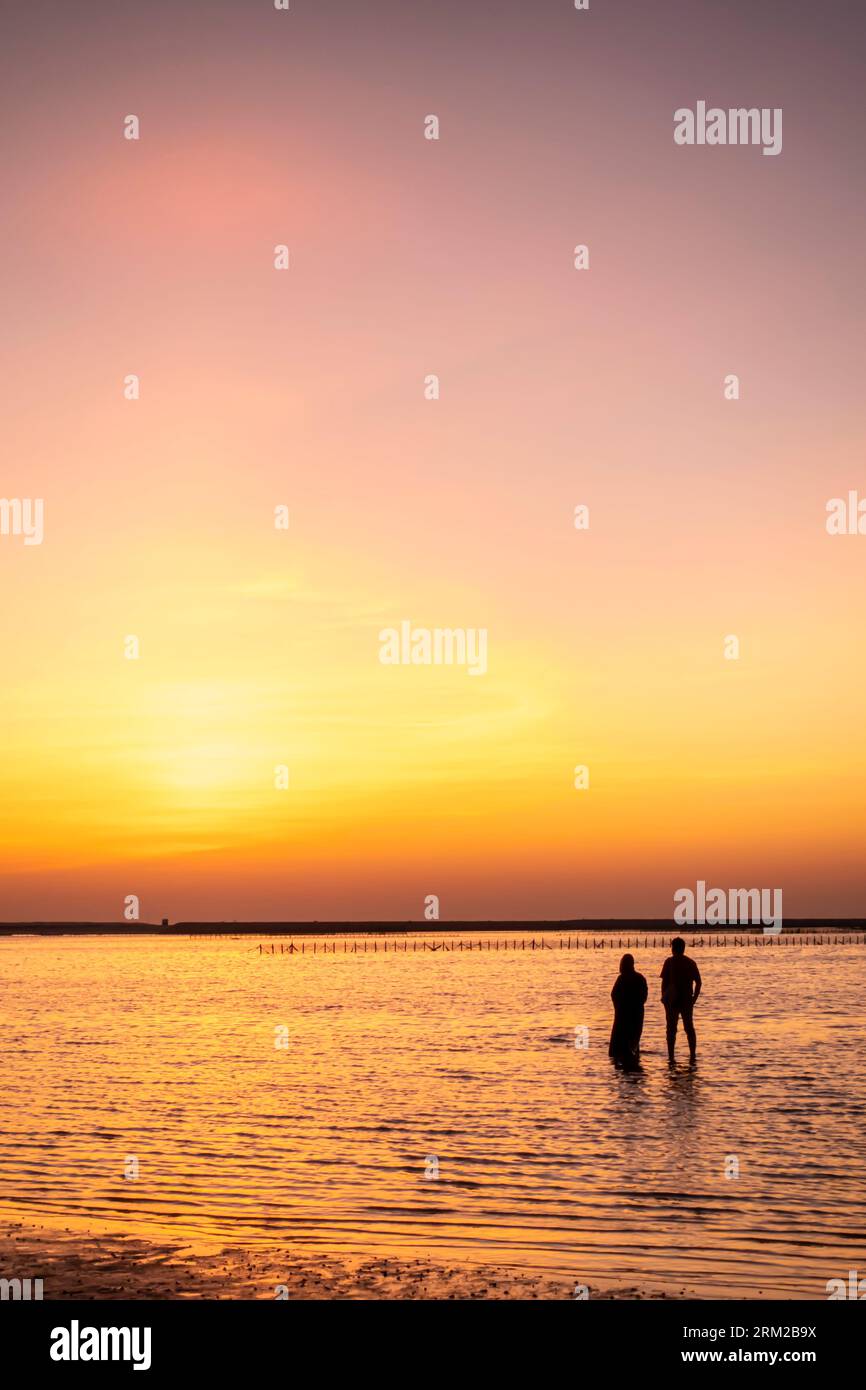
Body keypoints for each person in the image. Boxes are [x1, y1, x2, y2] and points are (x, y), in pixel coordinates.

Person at [661, 937, 701, 1064]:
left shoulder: (669, 962)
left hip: (673, 1002)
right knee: (689, 1028)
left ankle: (671, 1057)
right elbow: (699, 983)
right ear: (683, 948)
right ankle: (692, 1056)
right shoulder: (690, 962)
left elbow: (664, 983)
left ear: (673, 948)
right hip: (686, 1000)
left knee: (671, 1030)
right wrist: (694, 998)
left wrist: (665, 1000)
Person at [608, 953, 648, 1069]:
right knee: (633, 1042)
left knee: (617, 1048)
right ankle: (633, 1063)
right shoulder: (640, 978)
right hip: (636, 1016)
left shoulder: (622, 978)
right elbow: (644, 997)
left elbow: (613, 995)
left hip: (622, 1016)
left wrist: (618, 1008)